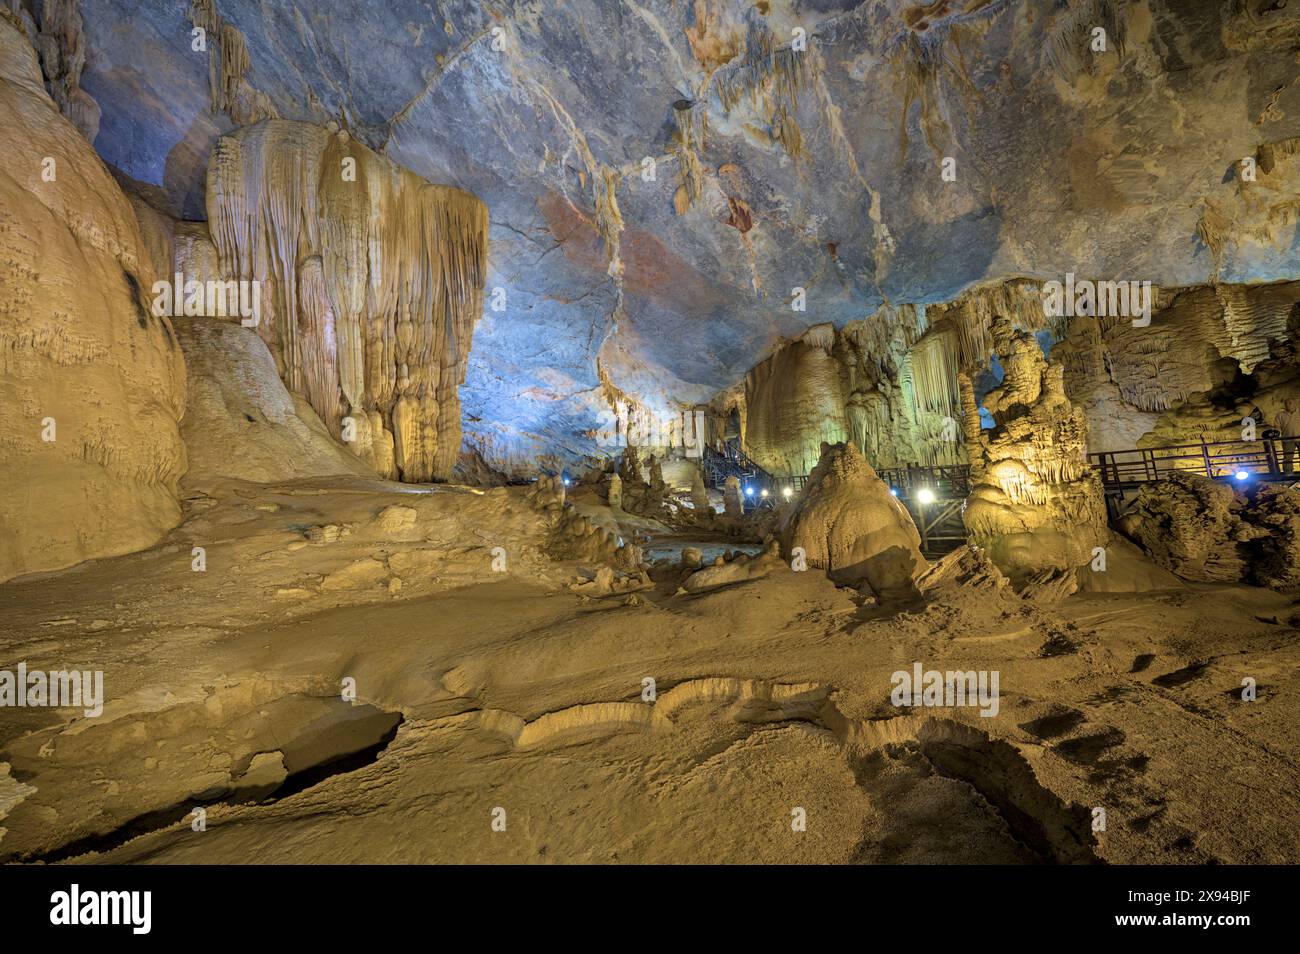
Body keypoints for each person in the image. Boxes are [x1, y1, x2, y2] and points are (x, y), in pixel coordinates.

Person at [1278, 398, 1300, 476]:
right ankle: (1288, 473)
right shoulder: (1280, 415)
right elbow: (1276, 426)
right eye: (1286, 403)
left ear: (1295, 403)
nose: (1288, 404)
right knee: (1288, 457)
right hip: (1287, 439)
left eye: (1290, 403)